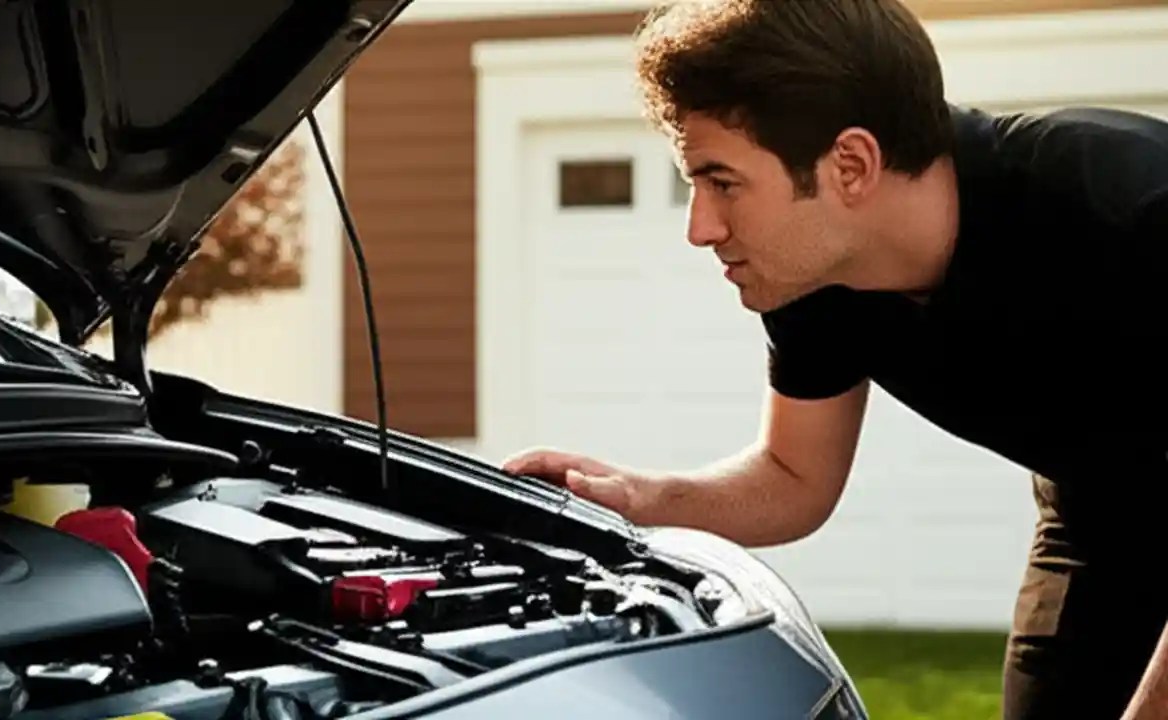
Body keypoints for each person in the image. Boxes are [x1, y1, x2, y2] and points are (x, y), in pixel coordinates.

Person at [499, 1, 1168, 718]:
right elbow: (795, 478)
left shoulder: (1126, 203)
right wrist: (638, 500)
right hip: (1096, 519)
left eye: (722, 183)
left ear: (850, 165)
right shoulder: (813, 277)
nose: (700, 227)